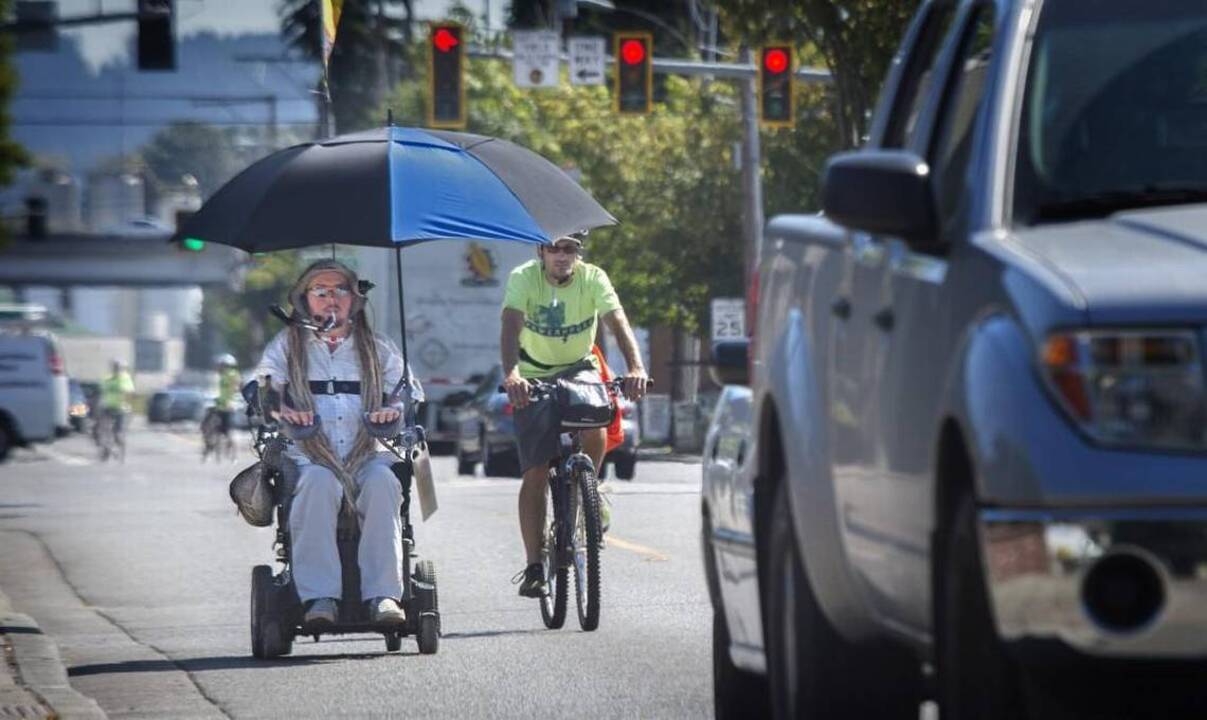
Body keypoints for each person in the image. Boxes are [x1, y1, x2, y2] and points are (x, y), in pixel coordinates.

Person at [254, 259, 420, 630]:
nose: (331, 299)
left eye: (340, 290)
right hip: (310, 457)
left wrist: (390, 410)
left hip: (368, 454)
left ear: (355, 300)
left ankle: (384, 596)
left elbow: (406, 392)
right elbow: (265, 387)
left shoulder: (379, 348)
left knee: (383, 484)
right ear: (305, 300)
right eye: (321, 291)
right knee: (316, 483)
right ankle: (319, 598)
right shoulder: (286, 346)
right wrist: (285, 407)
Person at [500, 234, 649, 598]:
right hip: (533, 373)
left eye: (570, 249)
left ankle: (587, 490)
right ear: (541, 251)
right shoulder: (523, 277)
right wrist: (513, 374)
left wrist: (636, 366)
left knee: (597, 416)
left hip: (579, 367)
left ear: (578, 254)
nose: (562, 256)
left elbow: (617, 322)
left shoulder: (594, 278)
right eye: (554, 248)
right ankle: (535, 565)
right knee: (535, 469)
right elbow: (510, 326)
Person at [95, 359, 134, 455]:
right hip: (107, 407)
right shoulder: (107, 379)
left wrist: (127, 406)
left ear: (121, 368)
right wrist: (99, 405)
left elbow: (129, 393)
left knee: (117, 433)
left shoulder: (125, 378)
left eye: (118, 367)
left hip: (120, 408)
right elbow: (102, 393)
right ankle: (106, 448)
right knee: (104, 428)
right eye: (114, 367)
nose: (116, 369)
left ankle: (120, 447)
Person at [209, 353, 241, 443]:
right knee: (212, 423)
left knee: (227, 430)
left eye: (222, 365)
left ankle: (232, 449)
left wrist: (230, 401)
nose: (219, 367)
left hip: (229, 406)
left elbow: (235, 389)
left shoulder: (233, 375)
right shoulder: (222, 376)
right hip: (220, 405)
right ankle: (211, 442)